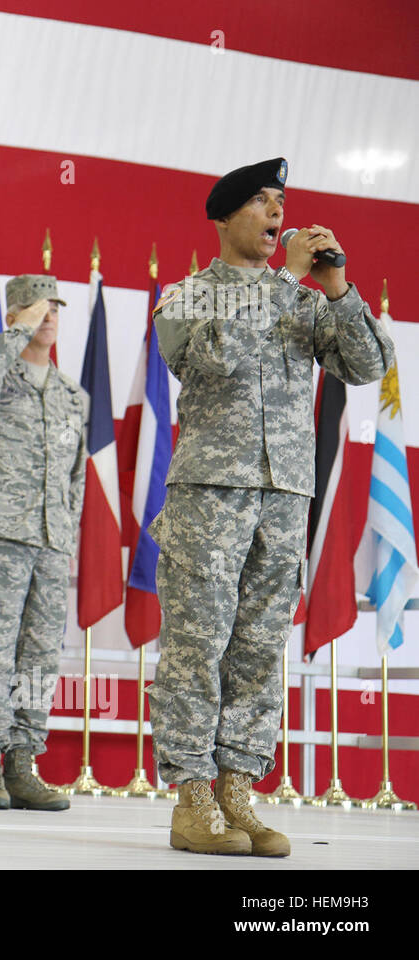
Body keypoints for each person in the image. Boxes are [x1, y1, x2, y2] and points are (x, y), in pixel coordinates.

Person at [149, 158, 395, 855]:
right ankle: (192, 795)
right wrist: (281, 282)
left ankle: (236, 789)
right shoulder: (188, 296)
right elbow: (208, 362)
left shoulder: (307, 301)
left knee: (258, 647)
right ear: (225, 217)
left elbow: (370, 365)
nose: (277, 213)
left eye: (281, 201)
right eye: (261, 201)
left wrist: (339, 289)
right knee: (200, 645)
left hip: (285, 496)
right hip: (211, 497)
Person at [0, 275, 87, 812]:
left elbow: (75, 477)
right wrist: (18, 329)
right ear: (14, 315)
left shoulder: (72, 395)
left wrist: (68, 530)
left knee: (37, 659)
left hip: (51, 540)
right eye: (36, 308)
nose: (48, 316)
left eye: (55, 308)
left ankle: (22, 763)